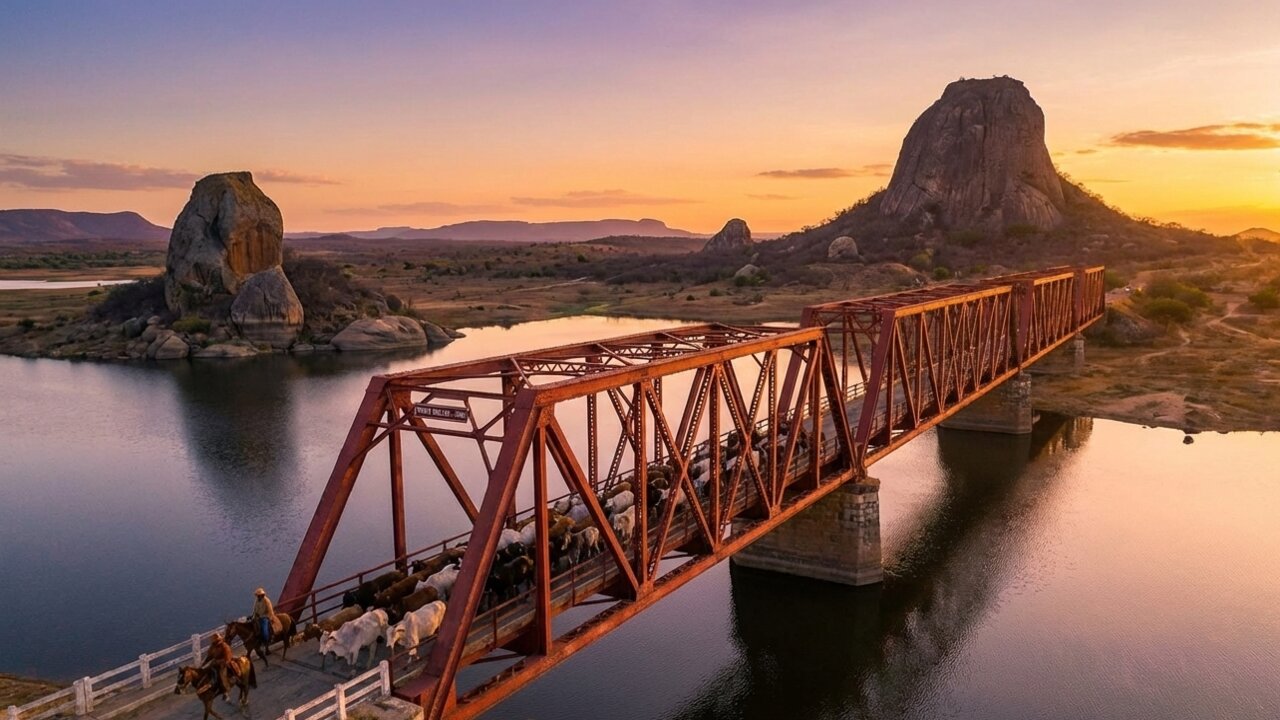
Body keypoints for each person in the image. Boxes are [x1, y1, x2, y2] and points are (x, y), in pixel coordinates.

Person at [201, 632, 234, 702]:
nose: (215, 642)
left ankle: (225, 692)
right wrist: (203, 664)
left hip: (223, 664)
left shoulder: (224, 646)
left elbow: (228, 658)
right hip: (215, 663)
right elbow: (209, 656)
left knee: (221, 675)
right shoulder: (213, 647)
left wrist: (218, 662)